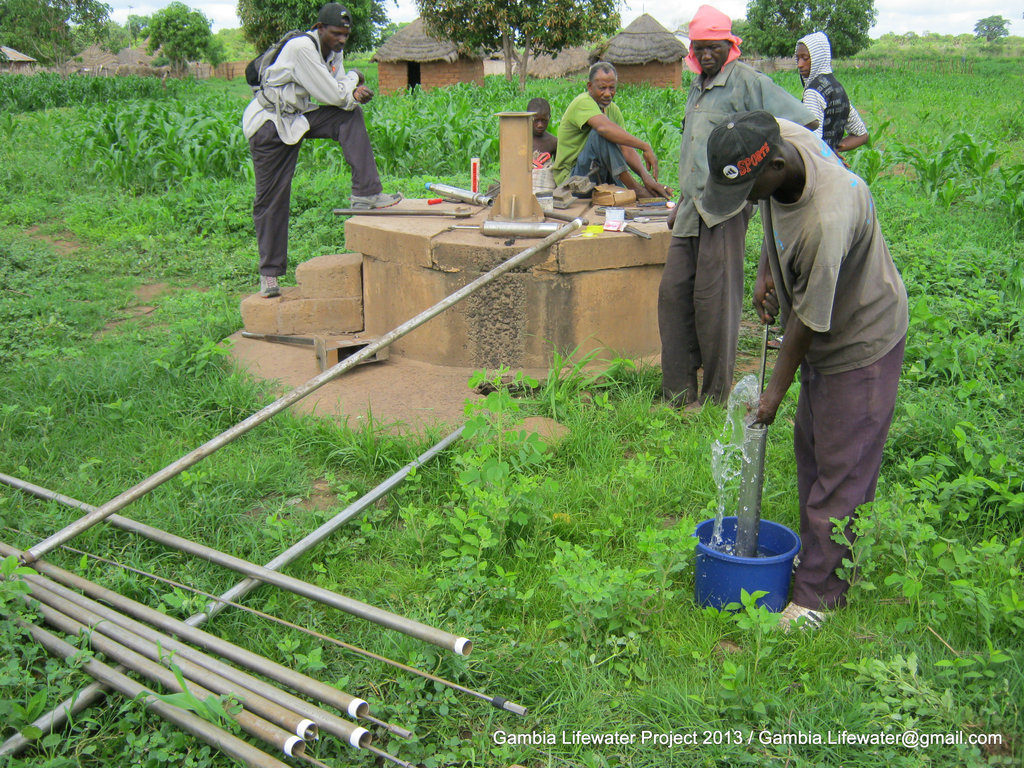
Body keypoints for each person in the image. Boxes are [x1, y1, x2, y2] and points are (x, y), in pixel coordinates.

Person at [701, 110, 908, 629]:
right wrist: (768, 270)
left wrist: (773, 394)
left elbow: (809, 324)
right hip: (821, 325)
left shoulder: (826, 219)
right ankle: (820, 558)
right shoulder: (778, 136)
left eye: (748, 191)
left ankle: (819, 599)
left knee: (841, 469)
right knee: (812, 450)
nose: (747, 202)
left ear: (774, 166)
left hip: (860, 338)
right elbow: (773, 211)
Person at [658, 5, 816, 408]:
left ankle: (713, 398)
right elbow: (695, 147)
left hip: (726, 209)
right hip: (691, 208)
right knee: (674, 296)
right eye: (700, 48)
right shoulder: (698, 85)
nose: (706, 55)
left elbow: (803, 122)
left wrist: (766, 176)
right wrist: (682, 198)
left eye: (714, 47)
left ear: (730, 45)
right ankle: (678, 394)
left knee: (715, 304)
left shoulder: (748, 82)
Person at [243, 3, 401, 298]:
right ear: (319, 28)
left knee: (348, 116)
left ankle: (366, 194)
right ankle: (269, 274)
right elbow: (334, 94)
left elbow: (341, 94)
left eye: (345, 35)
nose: (341, 40)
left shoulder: (334, 51)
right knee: (272, 199)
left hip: (298, 117)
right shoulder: (302, 47)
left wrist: (350, 89)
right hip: (269, 125)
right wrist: (355, 78)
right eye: (336, 34)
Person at [551, 62, 672, 199]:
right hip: (573, 181)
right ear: (590, 87)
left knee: (613, 136)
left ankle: (639, 189)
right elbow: (603, 129)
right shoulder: (582, 102)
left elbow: (625, 148)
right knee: (601, 134)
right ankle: (635, 189)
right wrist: (645, 146)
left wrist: (647, 178)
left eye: (612, 88)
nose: (608, 94)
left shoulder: (613, 110)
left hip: (599, 174)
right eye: (602, 88)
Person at [795, 32, 869, 154]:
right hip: (830, 161)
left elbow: (812, 143)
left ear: (817, 58)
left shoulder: (813, 92)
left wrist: (826, 152)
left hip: (816, 162)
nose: (799, 64)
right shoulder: (837, 87)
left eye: (805, 58)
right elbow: (861, 135)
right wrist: (832, 151)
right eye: (797, 58)